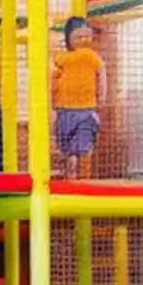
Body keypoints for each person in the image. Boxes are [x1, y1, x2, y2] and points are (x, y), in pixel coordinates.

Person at [52, 16, 107, 179]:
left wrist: (53, 103)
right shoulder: (91, 55)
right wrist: (102, 96)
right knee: (84, 149)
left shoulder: (62, 58)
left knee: (70, 152)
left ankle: (71, 177)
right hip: (85, 111)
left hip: (64, 112)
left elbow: (54, 77)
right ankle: (83, 180)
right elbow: (102, 73)